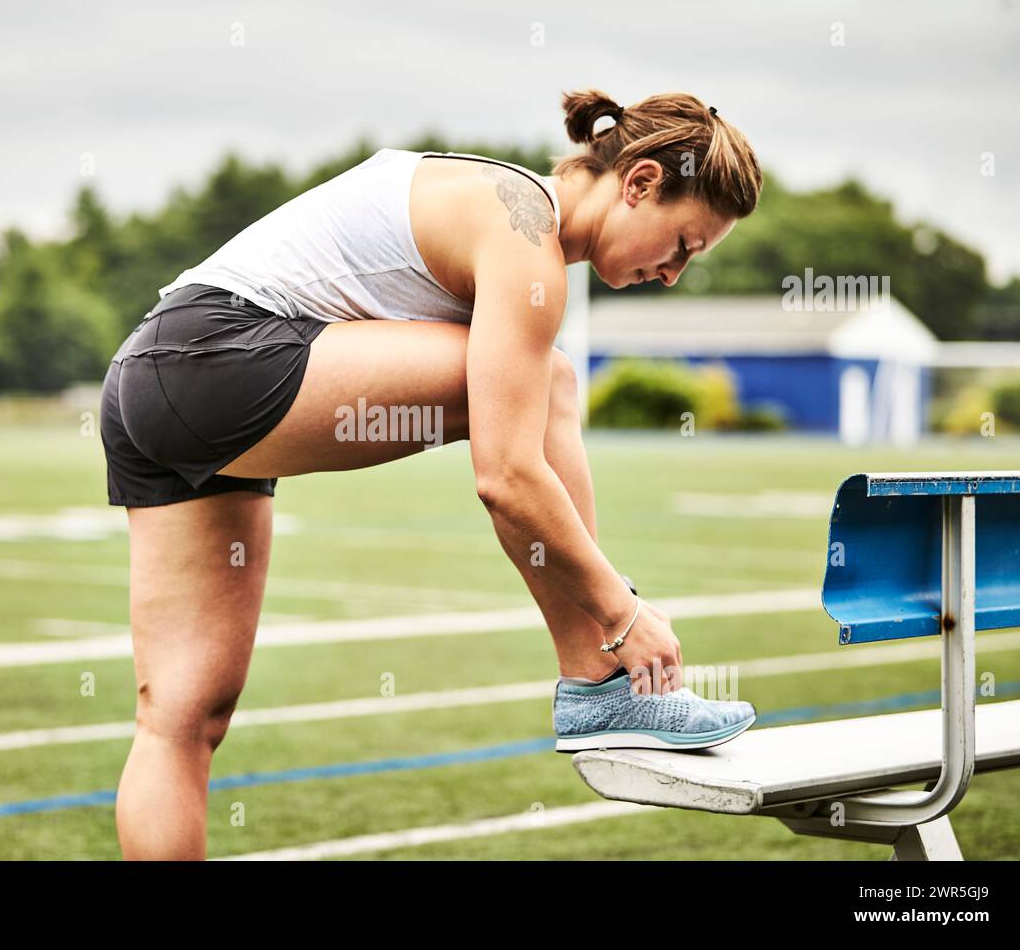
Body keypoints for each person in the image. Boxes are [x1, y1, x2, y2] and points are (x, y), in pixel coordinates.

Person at [101, 89, 761, 860]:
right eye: (683, 244)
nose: (675, 271)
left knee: (182, 718)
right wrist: (623, 616)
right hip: (211, 358)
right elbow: (507, 476)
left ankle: (598, 684)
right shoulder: (526, 232)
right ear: (640, 182)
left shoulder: (507, 212)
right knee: (547, 384)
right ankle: (599, 682)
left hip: (152, 380)